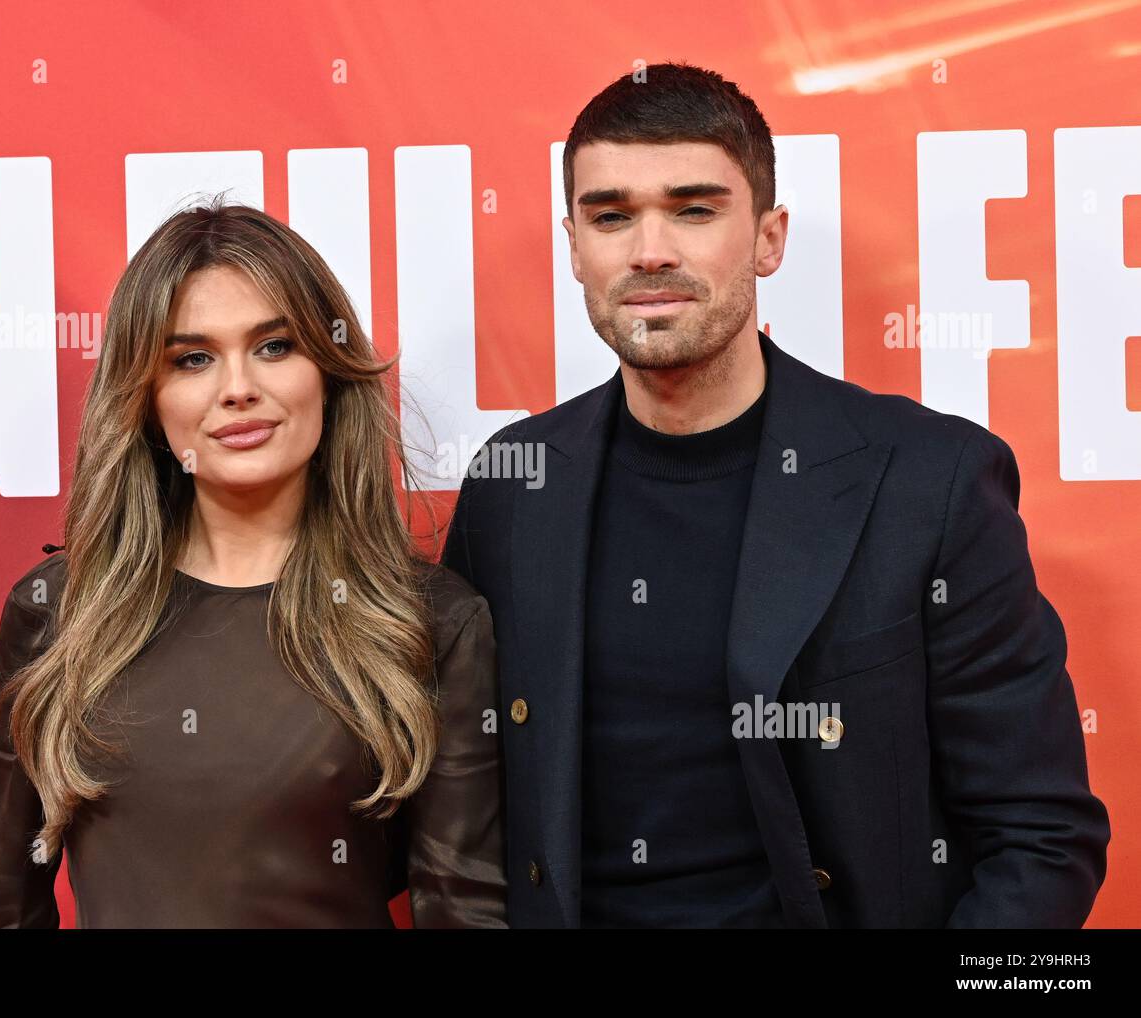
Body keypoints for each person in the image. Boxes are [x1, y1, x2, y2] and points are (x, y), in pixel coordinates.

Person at [441, 62, 1109, 928]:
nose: (650, 250)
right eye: (611, 215)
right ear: (574, 246)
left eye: (694, 208)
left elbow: (1042, 835)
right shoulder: (513, 484)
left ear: (768, 237)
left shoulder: (927, 479)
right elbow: (466, 823)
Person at [0, 200, 507, 928]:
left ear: (329, 372)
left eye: (275, 346)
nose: (238, 387)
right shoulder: (57, 614)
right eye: (192, 359)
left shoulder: (431, 623)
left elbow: (466, 916)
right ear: (147, 400)